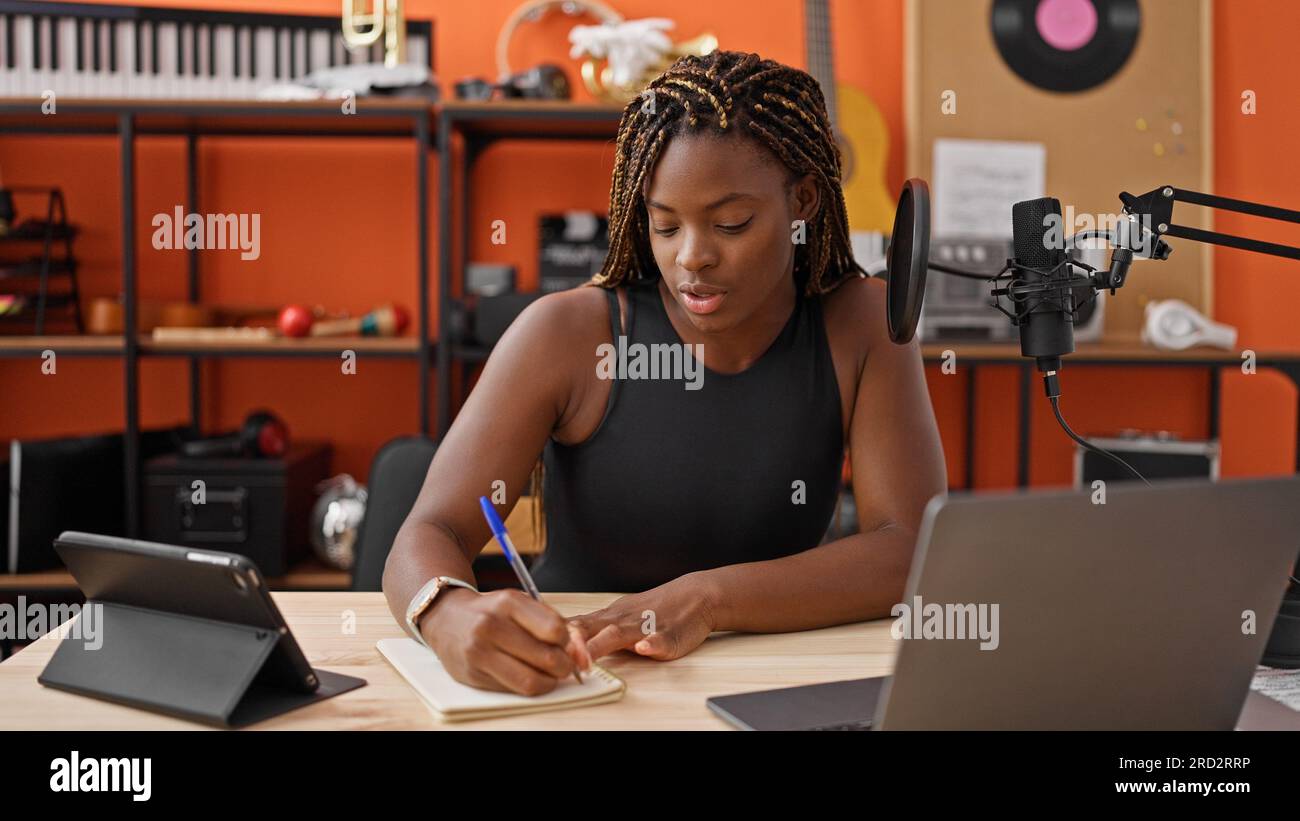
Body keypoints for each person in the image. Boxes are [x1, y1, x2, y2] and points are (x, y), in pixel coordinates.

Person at [383, 50, 946, 695]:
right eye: (665, 224)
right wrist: (446, 610)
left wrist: (705, 600)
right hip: (584, 681)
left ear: (804, 200)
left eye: (732, 224)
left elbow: (909, 548)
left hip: (771, 681)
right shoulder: (568, 334)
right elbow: (430, 531)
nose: (693, 258)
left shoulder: (863, 323)